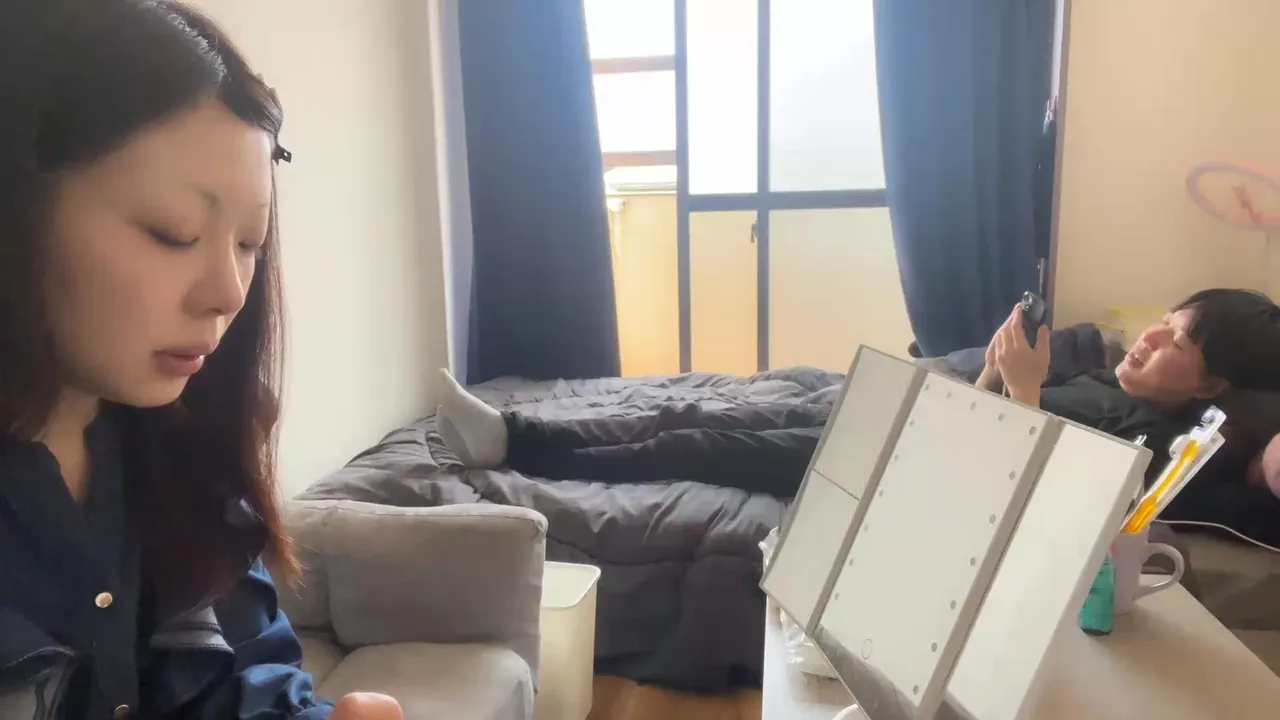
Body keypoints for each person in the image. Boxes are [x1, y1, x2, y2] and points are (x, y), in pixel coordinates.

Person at [0, 2, 401, 718]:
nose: (229, 293)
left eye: (250, 244)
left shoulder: (184, 456)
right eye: (173, 232)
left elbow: (242, 678)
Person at [436, 289, 1280, 501]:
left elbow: (1033, 491)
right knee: (697, 409)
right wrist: (998, 369)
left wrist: (1021, 389)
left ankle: (518, 450)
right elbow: (991, 409)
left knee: (694, 445)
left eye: (1178, 343)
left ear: (1213, 383)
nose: (1151, 340)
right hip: (916, 425)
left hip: (916, 471)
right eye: (1162, 323)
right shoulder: (1099, 376)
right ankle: (516, 424)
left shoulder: (1165, 443)